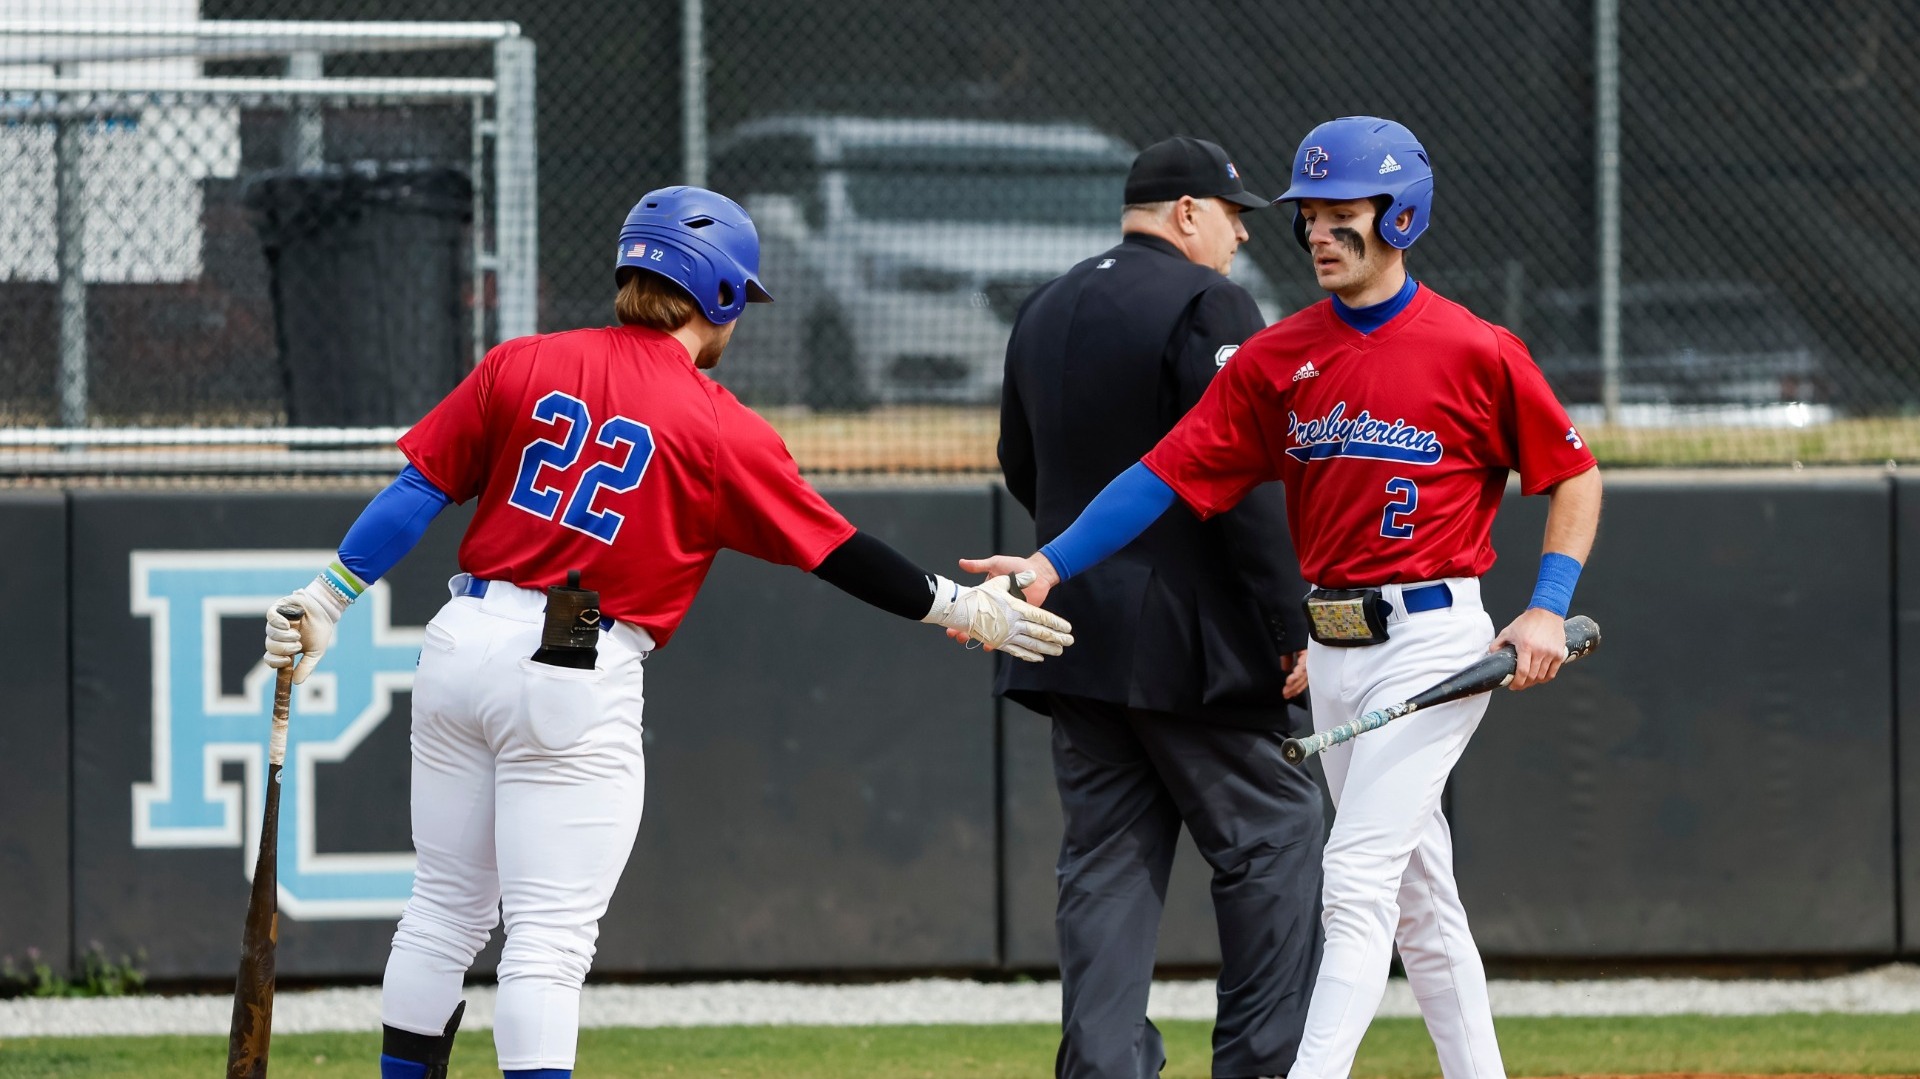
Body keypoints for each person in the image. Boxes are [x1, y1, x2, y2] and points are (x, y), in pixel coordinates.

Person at [259, 185, 1074, 1079]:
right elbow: (839, 551)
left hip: (463, 635)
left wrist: (329, 595)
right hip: (574, 654)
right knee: (548, 941)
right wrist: (961, 607)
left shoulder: (523, 360)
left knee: (441, 911)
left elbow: (418, 489)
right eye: (740, 296)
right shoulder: (719, 424)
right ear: (717, 293)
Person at [962, 117, 1603, 1079]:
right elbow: (1162, 474)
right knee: (1420, 900)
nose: (1316, 233)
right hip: (1335, 647)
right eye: (1310, 215)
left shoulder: (1476, 347)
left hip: (1433, 637)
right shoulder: (1279, 354)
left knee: (1353, 875)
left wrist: (1548, 604)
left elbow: (1573, 474)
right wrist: (1051, 562)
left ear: (1402, 216)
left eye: (1343, 215)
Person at [996, 135, 1322, 1079]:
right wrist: (1288, 622)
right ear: (1187, 212)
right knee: (1277, 836)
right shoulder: (1207, 301)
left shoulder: (1045, 304)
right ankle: (1259, 1067)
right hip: (1196, 643)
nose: (1240, 236)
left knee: (1106, 869)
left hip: (1071, 635)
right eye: (1232, 215)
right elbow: (1243, 474)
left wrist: (1083, 560)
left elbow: (1022, 465)